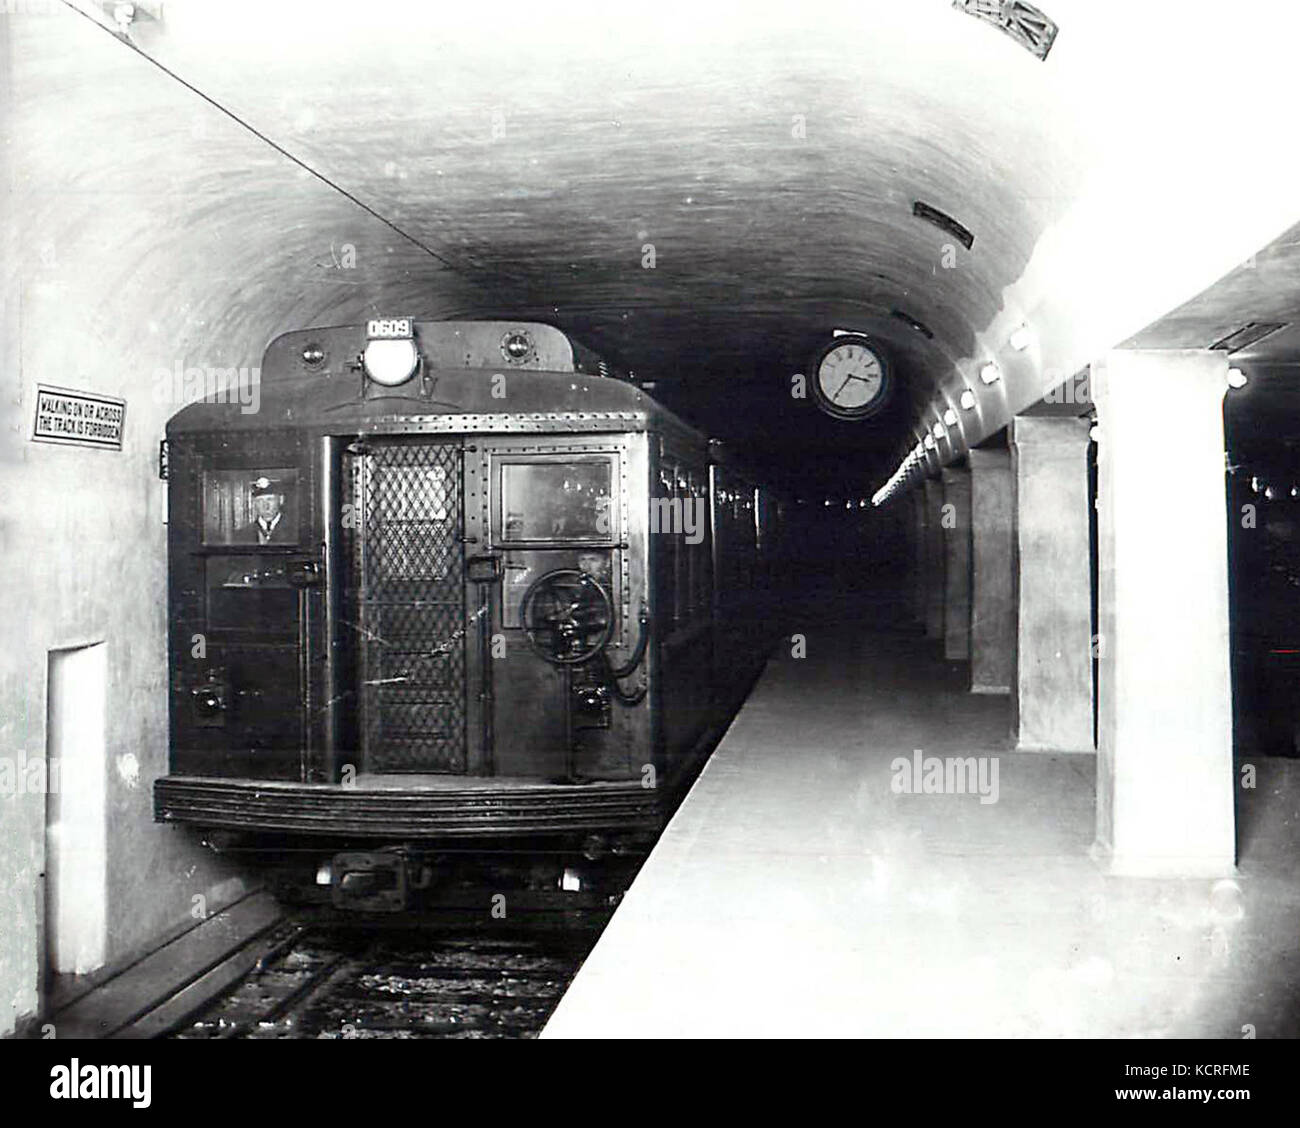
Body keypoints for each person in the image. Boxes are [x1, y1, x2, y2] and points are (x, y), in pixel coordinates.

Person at [232, 477, 295, 545]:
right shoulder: (242, 535)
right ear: (254, 503)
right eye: (260, 501)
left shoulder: (295, 532)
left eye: (270, 499)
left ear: (281, 500)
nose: (265, 506)